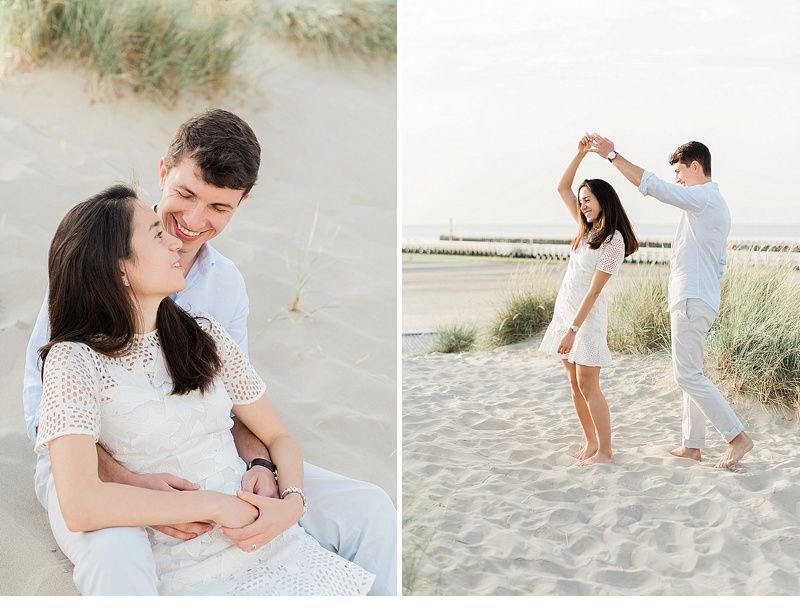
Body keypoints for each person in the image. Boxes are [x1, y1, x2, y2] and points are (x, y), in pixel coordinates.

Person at [23, 109, 396, 595]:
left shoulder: (221, 296)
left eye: (219, 207)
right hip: (99, 467)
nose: (193, 222)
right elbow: (47, 420)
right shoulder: (92, 266)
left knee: (368, 509)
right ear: (164, 172)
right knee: (116, 557)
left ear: (242, 203)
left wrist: (265, 473)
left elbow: (242, 409)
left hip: (209, 455)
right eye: (185, 194)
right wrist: (137, 482)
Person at [589, 134, 754, 469]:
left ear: (696, 167)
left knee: (687, 375)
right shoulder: (711, 204)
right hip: (699, 297)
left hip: (693, 299)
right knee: (691, 372)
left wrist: (612, 156)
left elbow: (655, 187)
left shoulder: (704, 197)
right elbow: (719, 263)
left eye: (680, 171)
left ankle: (737, 438)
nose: (677, 178)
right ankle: (692, 446)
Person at [539, 135, 639, 466]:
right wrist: (579, 154)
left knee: (588, 385)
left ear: (604, 200)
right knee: (574, 384)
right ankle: (590, 442)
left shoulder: (613, 241)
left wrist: (573, 329)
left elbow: (595, 291)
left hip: (585, 321)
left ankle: (606, 451)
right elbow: (562, 189)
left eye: (588, 199)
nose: (582, 204)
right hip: (565, 314)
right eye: (581, 200)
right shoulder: (586, 230)